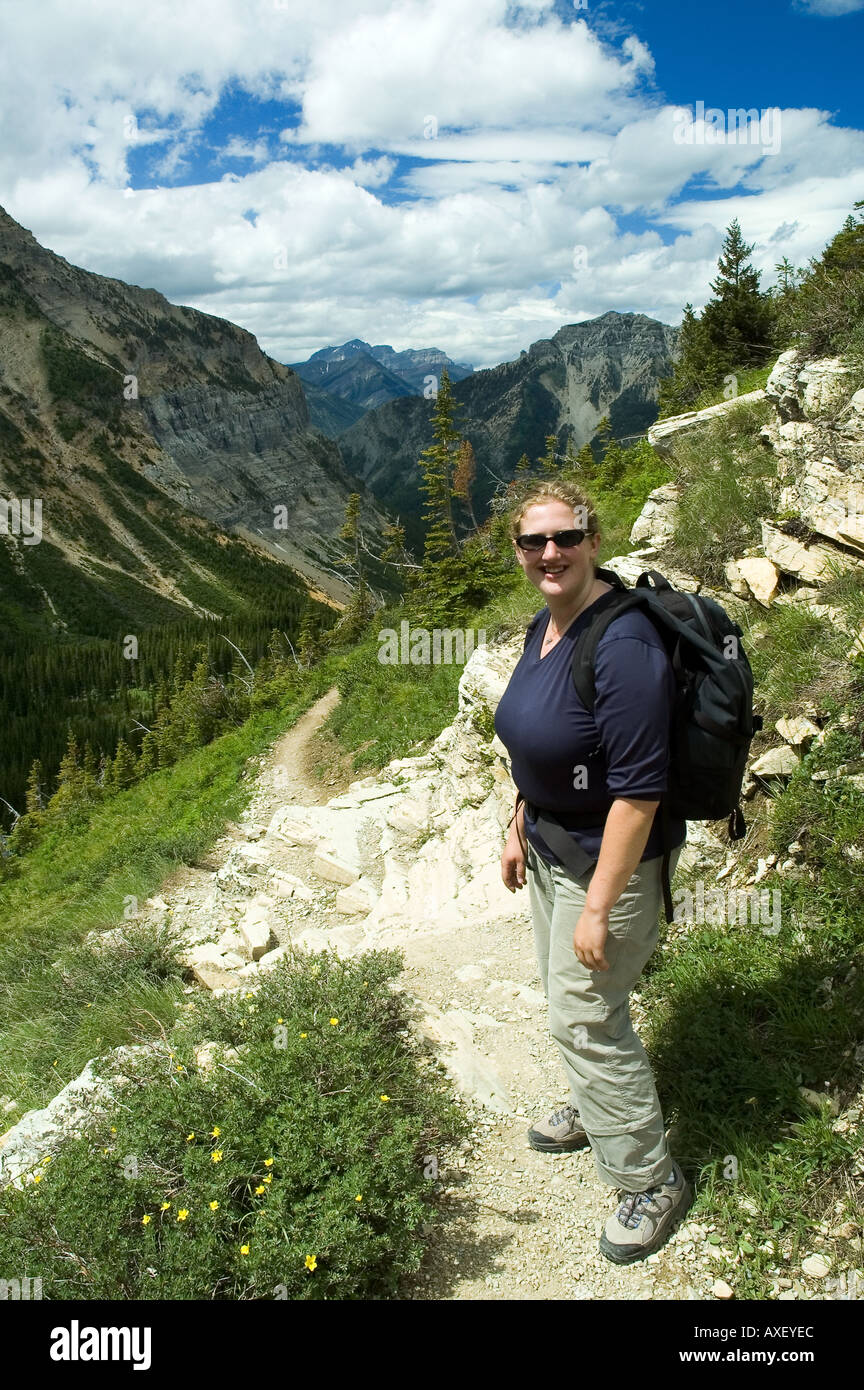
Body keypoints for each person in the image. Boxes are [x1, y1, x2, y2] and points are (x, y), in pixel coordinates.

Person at [493, 477, 693, 1264]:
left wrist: (598, 908)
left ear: (593, 540)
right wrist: (518, 825)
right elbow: (536, 742)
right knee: (567, 998)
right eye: (534, 541)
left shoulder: (625, 642)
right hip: (549, 847)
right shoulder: (547, 624)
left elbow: (638, 792)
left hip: (608, 866)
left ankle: (650, 1179)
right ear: (518, 551)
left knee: (583, 1015)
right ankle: (595, 1103)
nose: (551, 553)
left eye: (566, 538)